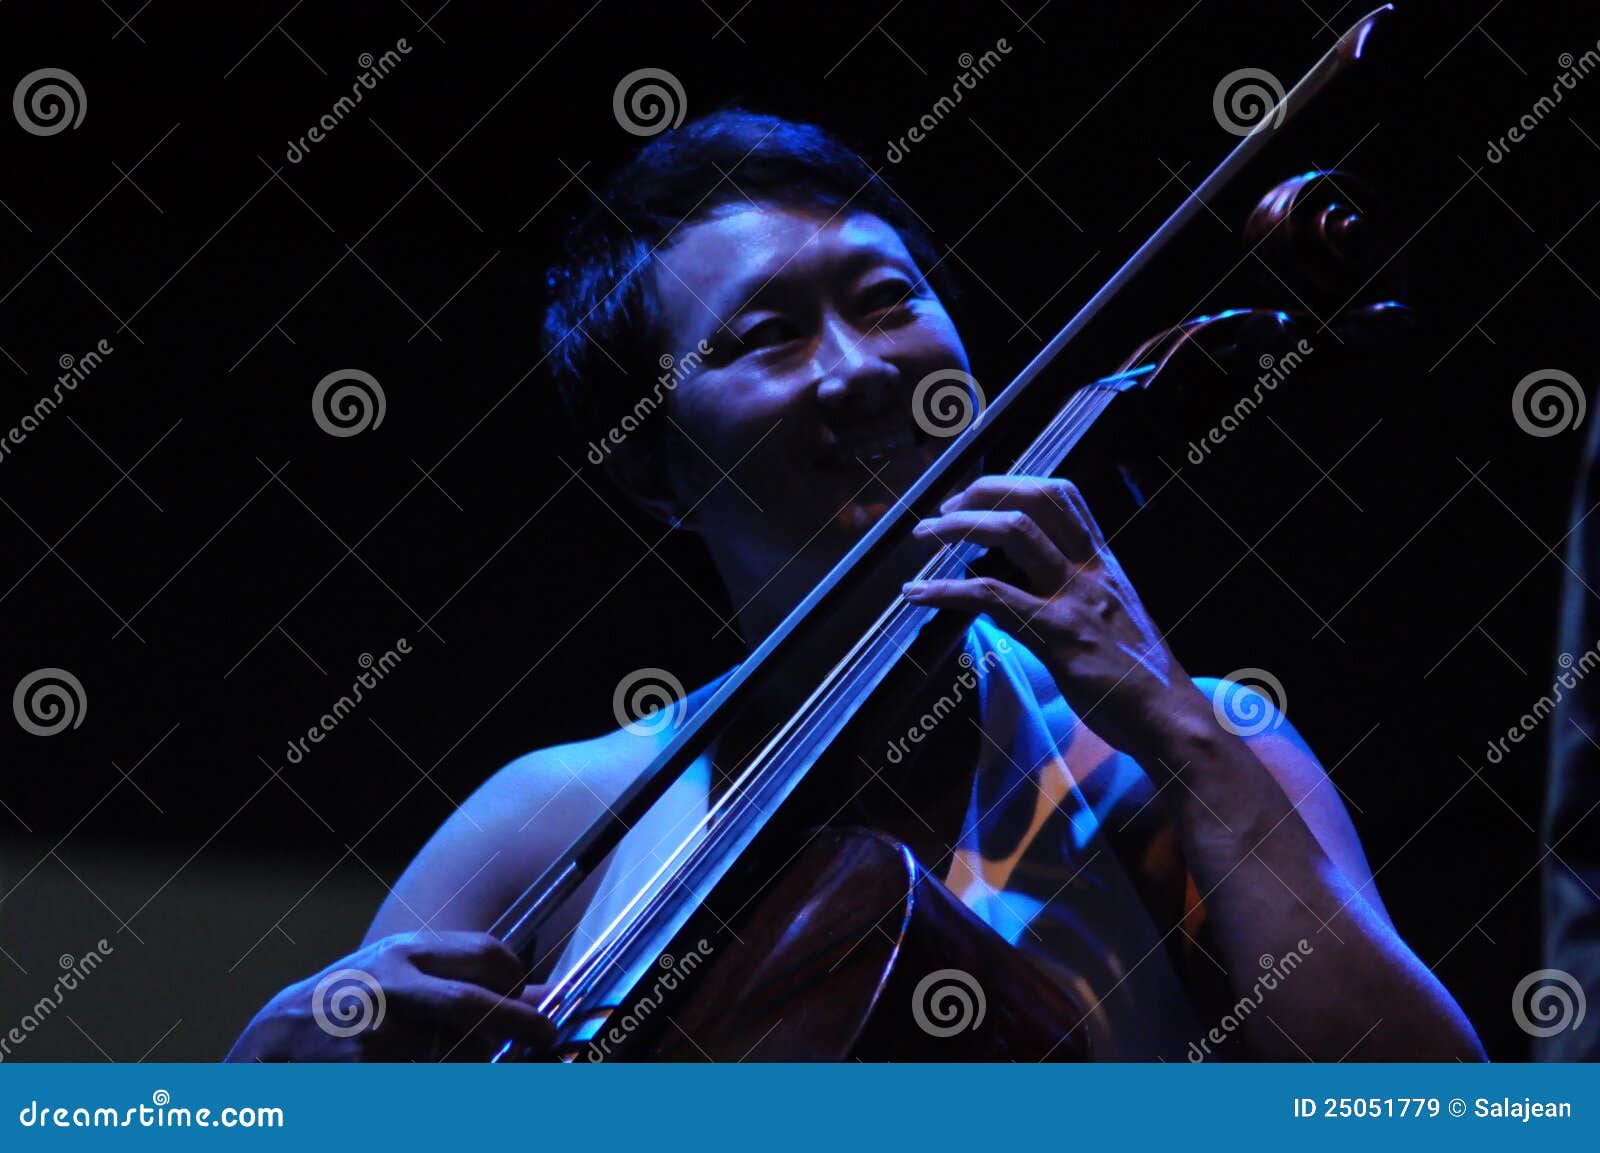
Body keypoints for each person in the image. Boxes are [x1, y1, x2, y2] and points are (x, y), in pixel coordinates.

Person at [227, 110, 1483, 1062]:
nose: (858, 370)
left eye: (890, 302)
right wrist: (268, 1076)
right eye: (766, 334)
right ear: (649, 472)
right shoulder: (549, 823)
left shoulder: (1184, 742)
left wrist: (1177, 726)